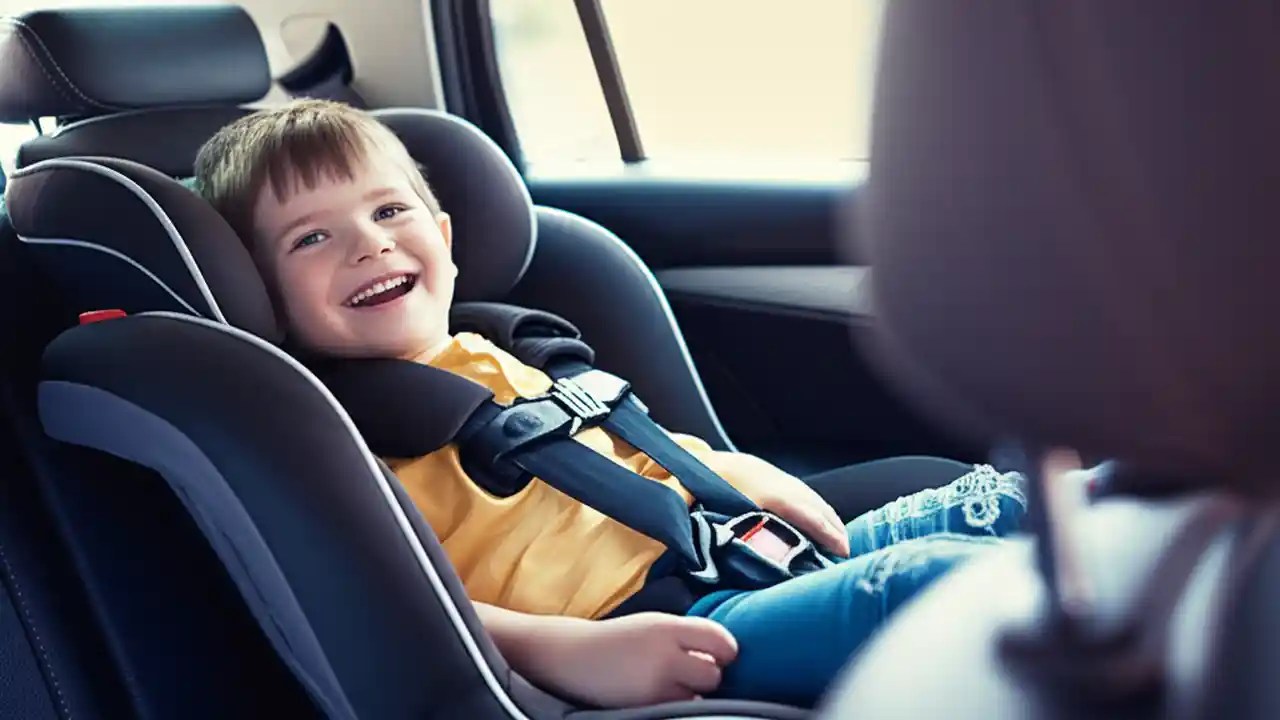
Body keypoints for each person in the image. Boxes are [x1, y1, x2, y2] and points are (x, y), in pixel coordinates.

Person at [193, 99, 1028, 708]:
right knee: (929, 589)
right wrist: (572, 650)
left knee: (1015, 504)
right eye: (313, 237)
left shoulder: (499, 347)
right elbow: (396, 605)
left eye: (388, 210)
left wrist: (734, 471)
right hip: (663, 622)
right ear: (263, 294)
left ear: (443, 236)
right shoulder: (327, 434)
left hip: (732, 544)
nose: (369, 242)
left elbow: (618, 448)